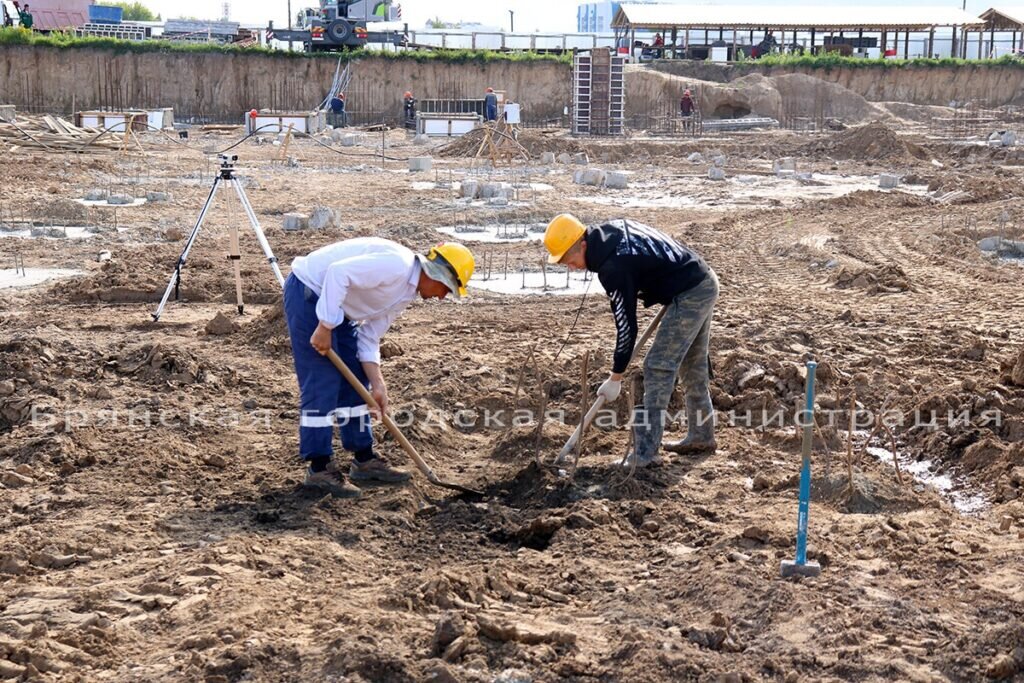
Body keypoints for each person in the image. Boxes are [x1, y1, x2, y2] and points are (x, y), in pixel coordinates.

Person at [284, 238, 475, 497]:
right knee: (322, 381)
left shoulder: (405, 294)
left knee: (357, 379)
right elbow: (338, 273)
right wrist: (325, 325)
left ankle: (364, 460)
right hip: (310, 293)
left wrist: (378, 384)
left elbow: (369, 337)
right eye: (447, 289)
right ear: (437, 273)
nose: (443, 297)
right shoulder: (397, 265)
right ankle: (319, 468)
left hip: (338, 307)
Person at [542, 214, 719, 468]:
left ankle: (645, 452)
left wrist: (616, 377)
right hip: (701, 278)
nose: (571, 267)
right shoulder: (609, 233)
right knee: (692, 365)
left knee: (657, 365)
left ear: (583, 244)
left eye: (571, 260)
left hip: (692, 291)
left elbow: (626, 326)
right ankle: (702, 436)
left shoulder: (613, 267)